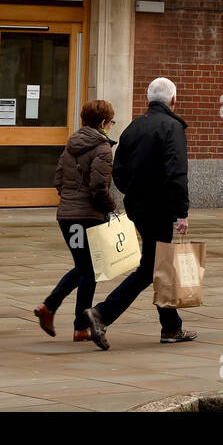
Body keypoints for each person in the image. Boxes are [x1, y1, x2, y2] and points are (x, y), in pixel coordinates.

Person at [83, 77, 197, 347]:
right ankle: (101, 313)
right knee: (152, 269)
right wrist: (182, 211)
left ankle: (171, 327)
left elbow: (118, 169)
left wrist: (131, 193)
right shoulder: (172, 128)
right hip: (160, 208)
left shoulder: (134, 126)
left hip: (138, 206)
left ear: (148, 99)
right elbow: (176, 173)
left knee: (158, 265)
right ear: (173, 100)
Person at [34, 99, 119, 345]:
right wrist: (113, 209)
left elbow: (59, 181)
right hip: (89, 217)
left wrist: (71, 201)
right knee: (89, 271)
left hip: (67, 217)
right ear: (103, 123)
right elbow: (99, 188)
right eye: (111, 122)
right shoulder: (103, 149)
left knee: (84, 268)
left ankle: (52, 309)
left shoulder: (71, 145)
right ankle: (77, 325)